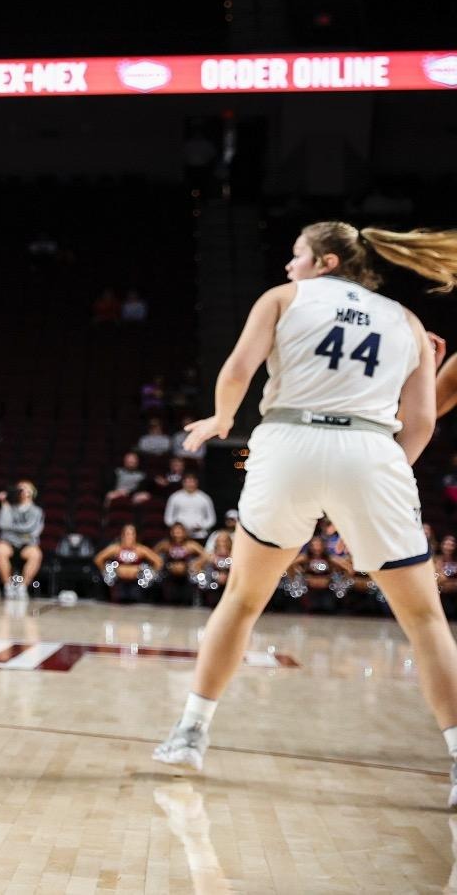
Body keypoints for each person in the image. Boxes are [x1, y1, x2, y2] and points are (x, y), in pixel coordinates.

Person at [152, 222, 457, 803]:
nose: (289, 266)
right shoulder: (409, 322)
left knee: (242, 600)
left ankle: (189, 734)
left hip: (289, 441)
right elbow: (419, 423)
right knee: (424, 620)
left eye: (296, 256)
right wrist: (385, 471)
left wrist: (221, 419)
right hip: (370, 449)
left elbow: (240, 369)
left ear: (325, 261)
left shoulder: (283, 297)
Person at [0, 481, 45, 599]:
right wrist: (5, 504)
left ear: (31, 493)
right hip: (9, 543)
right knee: (0, 550)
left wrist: (12, 529)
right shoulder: (9, 507)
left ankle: (22, 587)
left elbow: (31, 529)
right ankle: (8, 587)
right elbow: (2, 524)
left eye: (25, 488)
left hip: (27, 544)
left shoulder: (37, 511)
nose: (21, 490)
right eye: (19, 488)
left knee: (36, 554)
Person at [97, 523, 155, 603]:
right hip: (118, 583)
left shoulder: (141, 549)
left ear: (136, 536)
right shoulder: (115, 548)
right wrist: (107, 573)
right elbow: (98, 559)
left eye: (132, 534)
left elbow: (158, 561)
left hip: (136, 583)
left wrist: (149, 576)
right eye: (127, 534)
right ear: (122, 535)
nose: (129, 536)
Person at [158, 523, 207, 604]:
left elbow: (206, 556)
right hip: (170, 577)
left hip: (186, 578)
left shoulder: (191, 545)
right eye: (175, 532)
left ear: (184, 533)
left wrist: (195, 564)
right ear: (171, 532)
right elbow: (153, 554)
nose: (177, 535)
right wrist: (163, 564)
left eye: (179, 532)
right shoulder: (166, 544)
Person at [164, 474, 216, 540]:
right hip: (178, 536)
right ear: (183, 483)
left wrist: (202, 526)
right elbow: (168, 519)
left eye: (192, 482)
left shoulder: (205, 498)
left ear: (196, 483)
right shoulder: (174, 497)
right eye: (187, 482)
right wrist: (178, 528)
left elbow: (212, 519)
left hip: (199, 535)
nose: (190, 484)